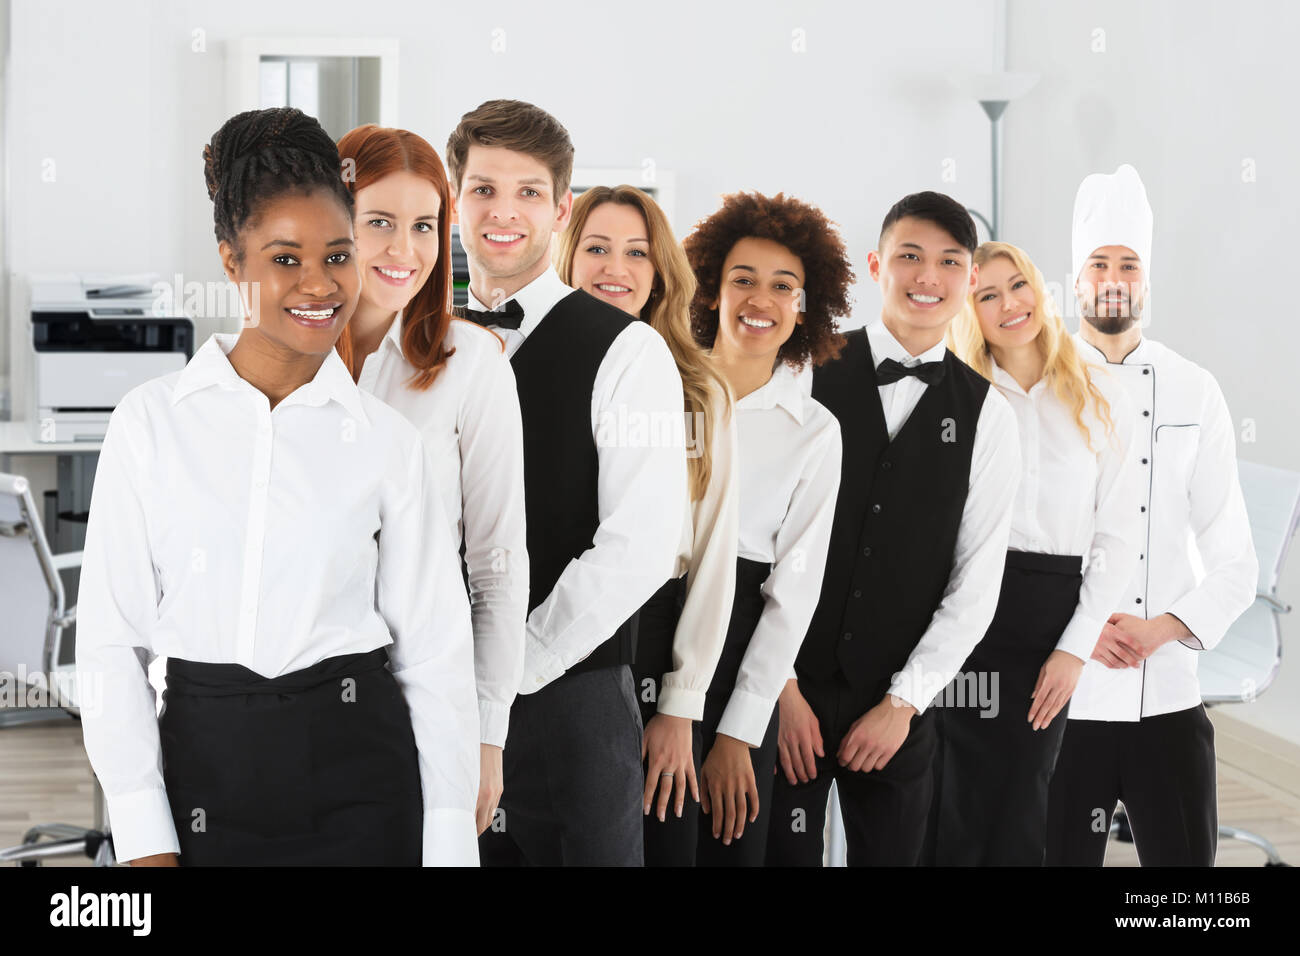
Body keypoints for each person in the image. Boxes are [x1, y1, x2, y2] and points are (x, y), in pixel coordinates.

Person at [74, 107, 479, 867]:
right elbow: (109, 648)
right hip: (204, 776)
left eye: (337, 255)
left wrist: (452, 840)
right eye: (284, 259)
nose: (319, 285)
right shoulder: (150, 426)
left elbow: (435, 655)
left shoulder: (388, 443)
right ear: (232, 261)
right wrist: (141, 834)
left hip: (365, 779)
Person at [446, 99, 687, 866]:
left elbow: (642, 543)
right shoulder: (416, 343)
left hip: (569, 696)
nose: (503, 212)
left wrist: (510, 669)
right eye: (483, 189)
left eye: (526, 192)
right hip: (432, 692)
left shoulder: (628, 350)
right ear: (456, 202)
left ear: (561, 209)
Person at [766, 191, 1021, 867]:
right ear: (878, 265)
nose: (927, 277)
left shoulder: (989, 414)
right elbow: (759, 536)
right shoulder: (800, 369)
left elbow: (977, 582)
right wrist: (779, 685)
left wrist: (902, 704)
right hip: (785, 692)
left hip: (899, 703)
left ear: (969, 281)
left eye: (948, 262)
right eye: (909, 257)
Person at [1046, 164, 1258, 867]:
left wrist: (1157, 630)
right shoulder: (1037, 386)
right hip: (1062, 698)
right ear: (1076, 279)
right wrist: (1080, 633)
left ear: (1146, 279)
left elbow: (1236, 563)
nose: (1113, 277)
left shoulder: (1196, 390)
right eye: (1098, 263)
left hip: (1166, 694)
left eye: (1128, 263)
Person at [333, 124, 528, 837]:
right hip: (292, 690)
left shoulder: (472, 363)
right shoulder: (285, 359)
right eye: (379, 222)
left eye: (424, 225)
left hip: (423, 696)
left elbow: (498, 562)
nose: (404, 250)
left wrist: (486, 731)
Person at [924, 240, 1141, 865]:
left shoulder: (1100, 393)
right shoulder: (955, 393)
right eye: (986, 294)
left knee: (1025, 803)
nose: (1008, 304)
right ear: (969, 308)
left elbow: (1117, 538)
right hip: (963, 604)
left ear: (1041, 289)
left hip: (1048, 610)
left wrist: (1074, 647)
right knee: (948, 799)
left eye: (1016, 285)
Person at [556, 185, 738, 866]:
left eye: (637, 252)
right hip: (550, 621)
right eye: (597, 248)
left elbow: (716, 558)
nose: (615, 267)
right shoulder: (525, 367)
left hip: (655, 641)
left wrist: (680, 705)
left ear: (660, 273)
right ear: (568, 258)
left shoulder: (700, 390)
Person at [683, 191, 847, 866]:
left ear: (804, 307)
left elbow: (792, 598)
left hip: (740, 661)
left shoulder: (814, 433)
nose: (761, 300)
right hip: (641, 640)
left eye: (784, 286)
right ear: (711, 288)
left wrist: (739, 733)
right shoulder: (663, 389)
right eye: (743, 279)